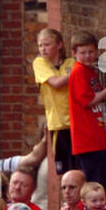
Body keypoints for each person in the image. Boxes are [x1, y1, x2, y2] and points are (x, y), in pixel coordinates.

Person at [66, 31, 106, 190]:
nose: (87, 56)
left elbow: (97, 96)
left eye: (91, 52)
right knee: (99, 185)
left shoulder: (89, 70)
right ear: (74, 53)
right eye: (82, 53)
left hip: (97, 139)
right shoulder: (78, 72)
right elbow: (89, 100)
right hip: (88, 141)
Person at [33, 27, 75, 174]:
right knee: (64, 171)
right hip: (58, 124)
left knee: (78, 169)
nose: (43, 49)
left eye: (47, 44)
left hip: (76, 123)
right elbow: (56, 83)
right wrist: (73, 75)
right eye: (40, 45)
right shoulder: (39, 63)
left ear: (60, 45)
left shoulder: (71, 63)